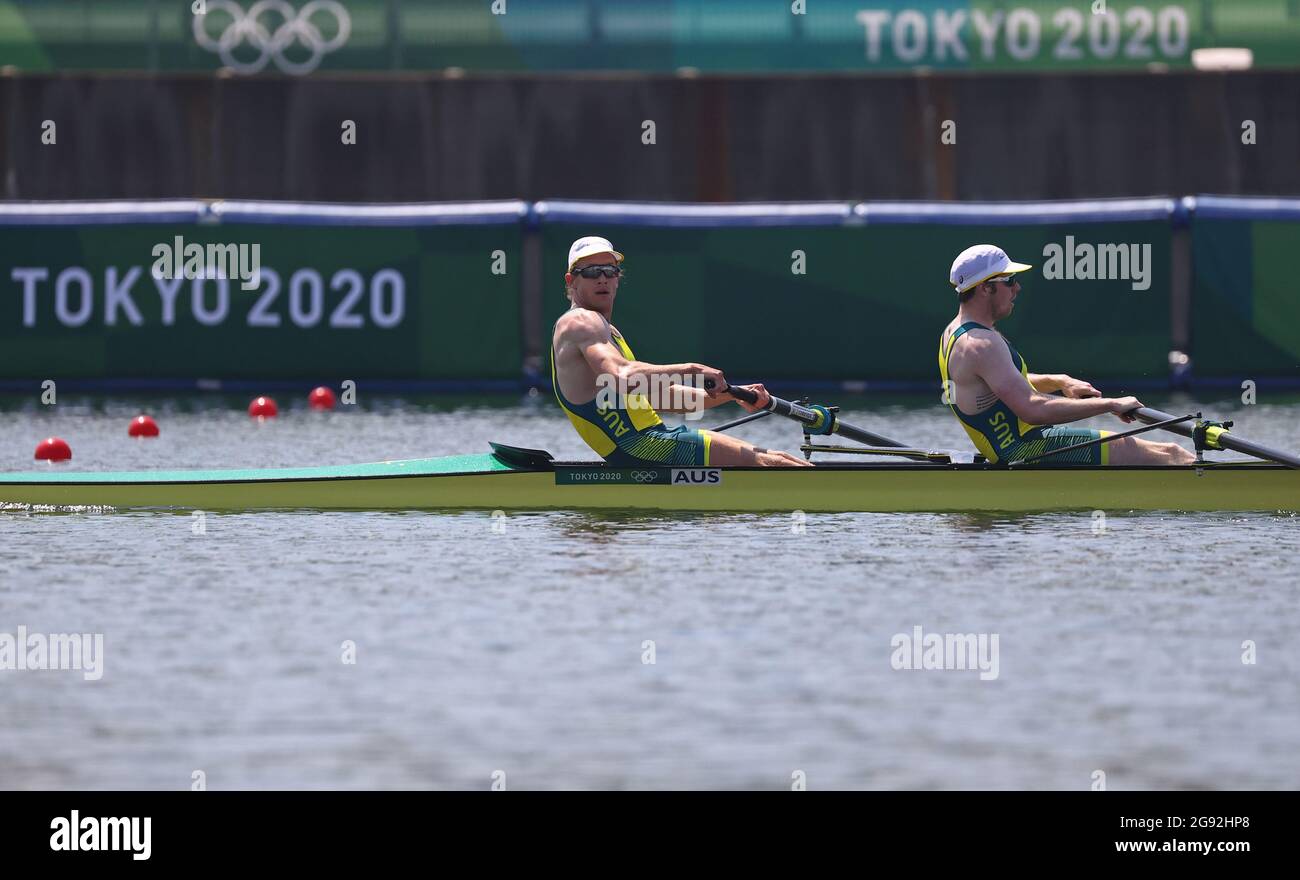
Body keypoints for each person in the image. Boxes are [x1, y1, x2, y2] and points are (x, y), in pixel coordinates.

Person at [551, 236, 810, 467]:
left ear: (618, 278)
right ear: (571, 280)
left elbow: (662, 397)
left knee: (779, 458)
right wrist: (693, 370)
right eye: (591, 271)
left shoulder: (608, 332)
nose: (602, 278)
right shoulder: (581, 322)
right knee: (771, 464)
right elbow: (622, 376)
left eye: (609, 270)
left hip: (651, 442)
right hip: (641, 447)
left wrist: (732, 394)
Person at [939, 244, 1193, 465]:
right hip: (1025, 449)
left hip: (1019, 447)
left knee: (1167, 452)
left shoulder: (955, 333)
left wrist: (1059, 381)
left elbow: (998, 383)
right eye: (1009, 279)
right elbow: (1032, 409)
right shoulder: (982, 344)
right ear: (985, 288)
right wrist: (1111, 404)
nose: (1017, 287)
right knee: (1170, 454)